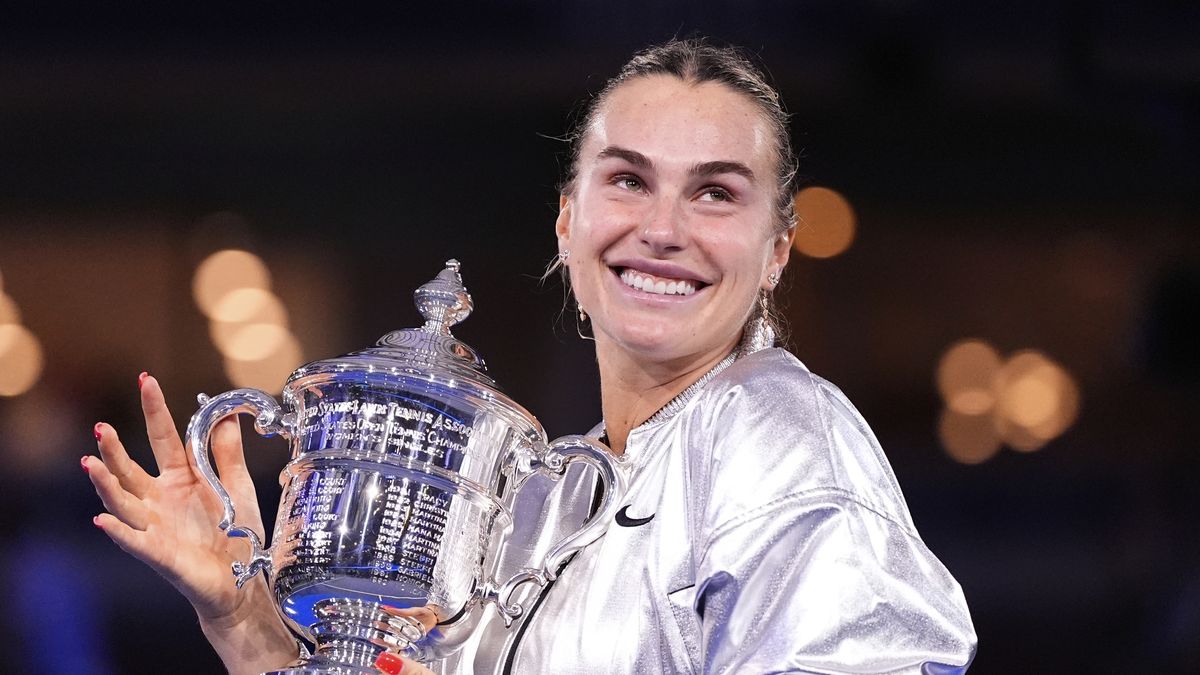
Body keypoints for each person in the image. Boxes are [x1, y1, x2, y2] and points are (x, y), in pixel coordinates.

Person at [85, 38, 977, 674]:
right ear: (566, 221)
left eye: (715, 193)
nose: (662, 229)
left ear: (776, 250)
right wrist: (248, 620)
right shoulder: (537, 497)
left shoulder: (778, 432)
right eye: (628, 180)